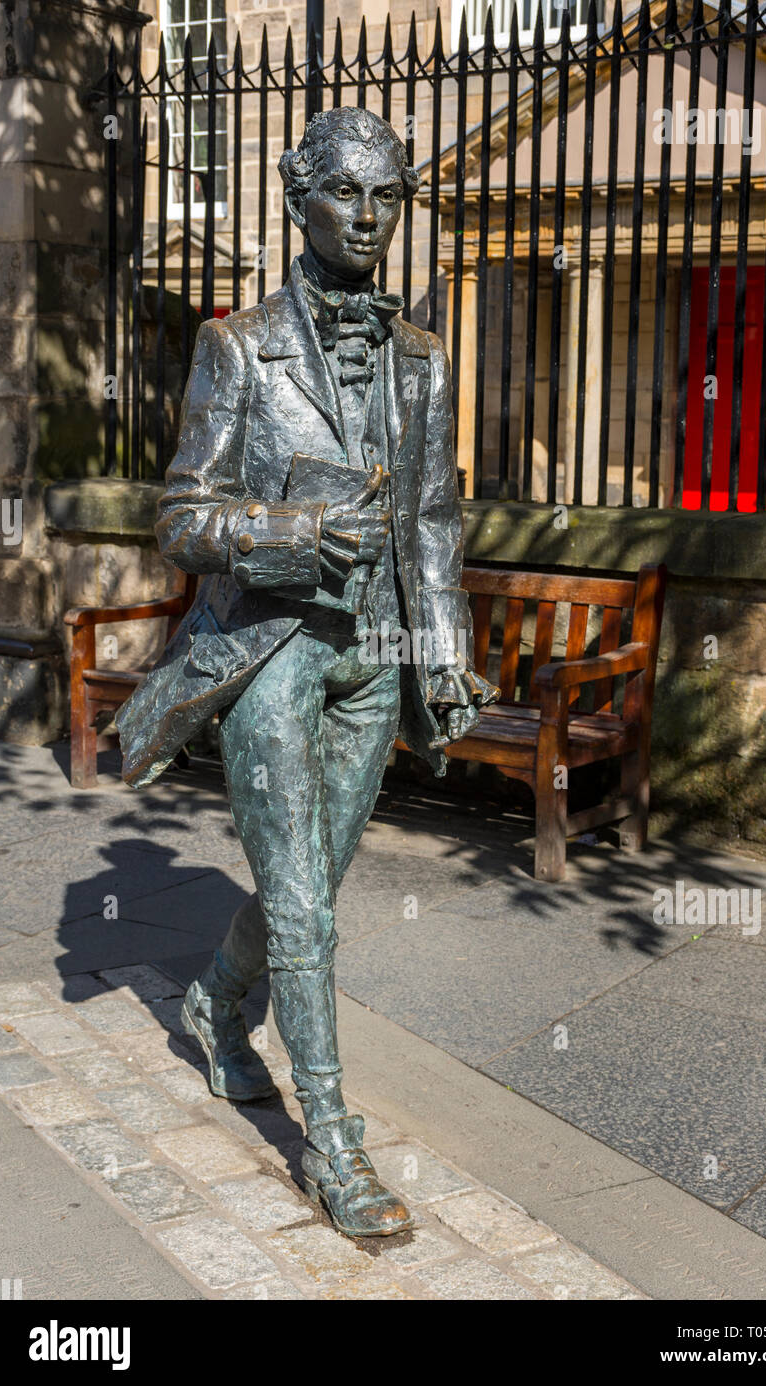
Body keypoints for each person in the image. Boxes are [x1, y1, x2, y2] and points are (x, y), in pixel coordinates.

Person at [116, 106, 498, 1238]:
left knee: (310, 895)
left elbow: (431, 520)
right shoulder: (237, 346)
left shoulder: (421, 357)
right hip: (271, 649)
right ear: (298, 199)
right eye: (347, 192)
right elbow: (180, 518)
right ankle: (332, 1144)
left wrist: (445, 652)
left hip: (371, 659)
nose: (370, 215)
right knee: (301, 909)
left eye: (388, 195)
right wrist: (284, 533)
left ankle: (212, 1006)